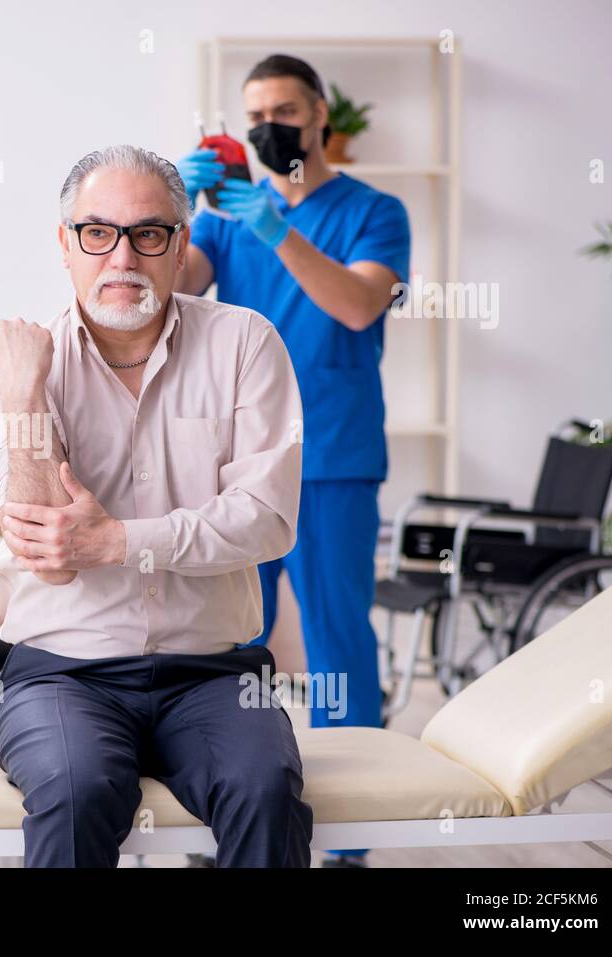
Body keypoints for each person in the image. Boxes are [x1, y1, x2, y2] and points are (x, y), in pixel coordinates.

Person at [0, 144, 312, 867]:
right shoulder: (20, 364)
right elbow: (45, 557)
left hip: (213, 673)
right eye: (98, 232)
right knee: (78, 788)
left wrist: (121, 540)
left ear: (181, 247)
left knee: (266, 787)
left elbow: (268, 518)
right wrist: (26, 392)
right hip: (61, 672)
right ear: (66, 245)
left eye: (149, 233)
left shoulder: (245, 343)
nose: (123, 256)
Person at [176, 54, 412, 867]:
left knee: (337, 636)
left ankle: (350, 840)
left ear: (319, 119)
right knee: (227, 641)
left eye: (283, 109)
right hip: (238, 461)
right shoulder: (219, 218)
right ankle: (234, 816)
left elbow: (356, 303)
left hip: (334, 457)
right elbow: (161, 288)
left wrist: (279, 230)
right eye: (255, 115)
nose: (268, 126)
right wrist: (171, 208)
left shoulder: (376, 211)